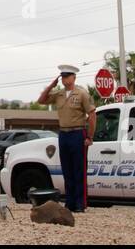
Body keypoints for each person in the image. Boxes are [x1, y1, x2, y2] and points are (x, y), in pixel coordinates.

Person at [37, 65, 95, 213]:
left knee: (79, 170)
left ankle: (80, 203)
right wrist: (51, 85)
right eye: (62, 76)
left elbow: (93, 115)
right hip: (63, 134)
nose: (64, 79)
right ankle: (70, 202)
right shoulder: (59, 94)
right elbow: (41, 100)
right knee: (67, 170)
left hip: (77, 133)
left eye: (67, 76)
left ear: (74, 77)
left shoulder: (82, 93)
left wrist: (90, 136)